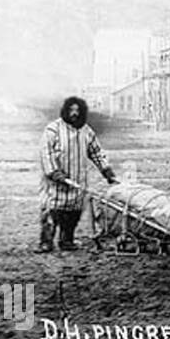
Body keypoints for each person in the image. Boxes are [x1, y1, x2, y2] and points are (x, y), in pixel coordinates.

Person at [37, 95, 118, 252]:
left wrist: (106, 170)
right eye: (71, 110)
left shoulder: (86, 131)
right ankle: (46, 241)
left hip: (77, 181)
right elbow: (45, 153)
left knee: (73, 214)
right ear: (65, 111)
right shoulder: (53, 129)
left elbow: (96, 152)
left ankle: (67, 240)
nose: (74, 114)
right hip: (57, 182)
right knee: (52, 212)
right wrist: (54, 172)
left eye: (77, 111)